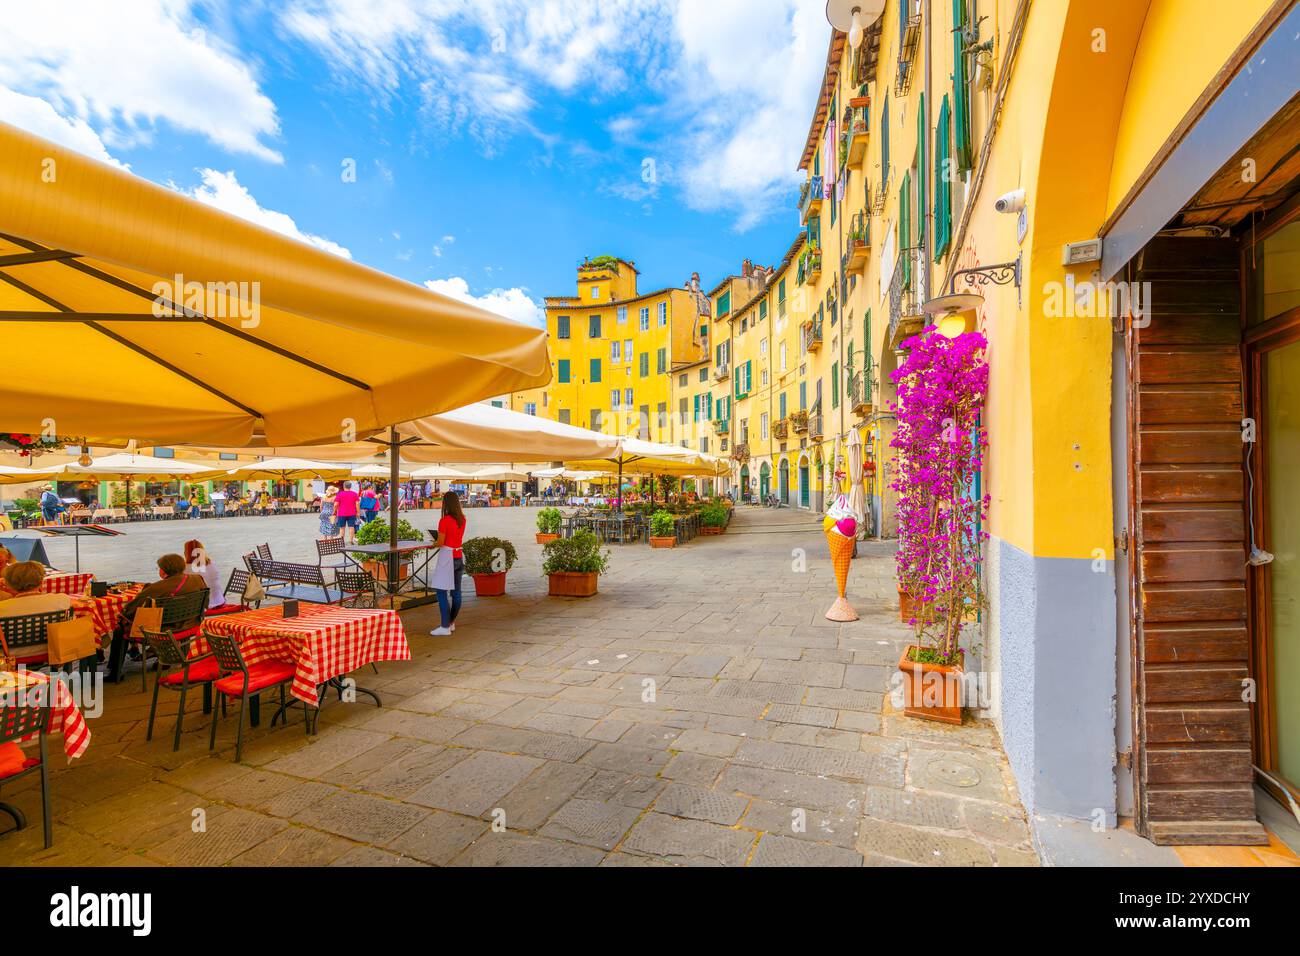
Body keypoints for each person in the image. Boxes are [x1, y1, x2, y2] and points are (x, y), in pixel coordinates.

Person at [106, 553, 205, 682]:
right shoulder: (197, 579)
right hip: (190, 623)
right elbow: (205, 602)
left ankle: (115, 672)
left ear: (163, 570)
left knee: (120, 629)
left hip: (164, 629)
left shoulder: (155, 588)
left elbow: (129, 610)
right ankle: (163, 655)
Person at [0, 562, 73, 665]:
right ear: (41, 581)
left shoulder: (3, 608)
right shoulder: (63, 600)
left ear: (9, 584)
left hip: (10, 657)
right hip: (51, 651)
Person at [428, 490, 466, 637]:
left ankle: (445, 626)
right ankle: (451, 622)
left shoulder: (444, 521)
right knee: (456, 592)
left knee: (441, 591)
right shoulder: (462, 519)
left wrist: (434, 543)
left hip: (447, 557)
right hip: (458, 555)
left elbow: (441, 542)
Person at [184, 539, 223, 609]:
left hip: (202, 606)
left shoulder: (185, 568)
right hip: (220, 601)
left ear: (186, 552)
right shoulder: (211, 564)